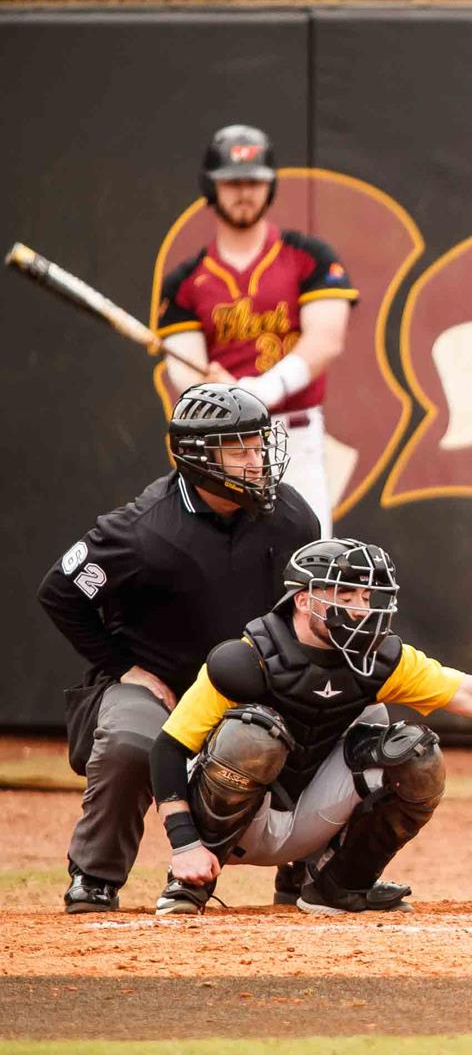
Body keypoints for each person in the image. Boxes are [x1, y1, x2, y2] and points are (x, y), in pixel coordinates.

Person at [148, 537, 472, 915]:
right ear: (305, 599)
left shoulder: (380, 661)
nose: (363, 607)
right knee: (254, 734)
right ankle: (189, 887)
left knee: (416, 755)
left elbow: (466, 691)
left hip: (311, 817)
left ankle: (336, 885)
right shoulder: (245, 658)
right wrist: (185, 843)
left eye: (367, 596)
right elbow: (168, 749)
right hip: (229, 829)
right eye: (346, 594)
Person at [38, 383, 318, 913]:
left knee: (327, 711)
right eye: (240, 448)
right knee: (129, 741)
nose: (257, 459)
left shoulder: (292, 517)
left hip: (253, 676)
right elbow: (60, 592)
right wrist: (124, 668)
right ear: (198, 457)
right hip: (161, 681)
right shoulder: (141, 531)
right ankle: (95, 878)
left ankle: (309, 872)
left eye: (259, 444)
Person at [156, 124, 358, 536]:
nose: (243, 192)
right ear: (211, 187)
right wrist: (220, 401)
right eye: (231, 182)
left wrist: (256, 393)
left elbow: (326, 340)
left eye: (253, 181)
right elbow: (186, 374)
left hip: (294, 437)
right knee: (218, 573)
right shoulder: (185, 281)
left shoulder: (310, 257)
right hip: (218, 449)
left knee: (307, 567)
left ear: (270, 186)